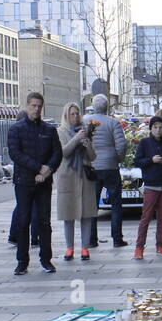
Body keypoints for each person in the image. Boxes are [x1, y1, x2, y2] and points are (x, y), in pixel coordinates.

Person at [7, 91, 62, 275]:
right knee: (23, 221)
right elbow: (16, 154)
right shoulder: (16, 129)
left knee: (44, 223)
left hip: (44, 182)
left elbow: (57, 153)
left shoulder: (49, 130)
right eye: (33, 105)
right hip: (24, 181)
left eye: (39, 106)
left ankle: (46, 260)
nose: (36, 109)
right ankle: (22, 261)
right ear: (27, 106)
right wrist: (39, 168)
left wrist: (48, 170)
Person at [55, 101, 97, 262]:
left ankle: (85, 247)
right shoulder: (60, 131)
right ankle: (69, 247)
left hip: (85, 177)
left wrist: (88, 146)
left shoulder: (86, 131)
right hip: (68, 177)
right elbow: (63, 152)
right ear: (66, 116)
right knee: (68, 214)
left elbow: (92, 157)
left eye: (77, 113)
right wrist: (75, 139)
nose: (75, 117)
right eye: (71, 114)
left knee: (86, 214)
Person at [84, 94, 128, 248]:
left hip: (92, 167)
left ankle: (91, 239)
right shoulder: (113, 123)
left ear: (93, 106)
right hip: (110, 166)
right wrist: (118, 159)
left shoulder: (85, 121)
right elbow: (121, 145)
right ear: (107, 107)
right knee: (116, 204)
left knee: (92, 204)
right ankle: (117, 238)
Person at [133, 115, 162, 260]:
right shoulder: (144, 143)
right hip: (151, 185)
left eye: (160, 127)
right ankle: (139, 247)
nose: (158, 130)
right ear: (151, 128)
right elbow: (137, 161)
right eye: (155, 127)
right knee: (146, 217)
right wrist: (152, 160)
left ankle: (160, 245)